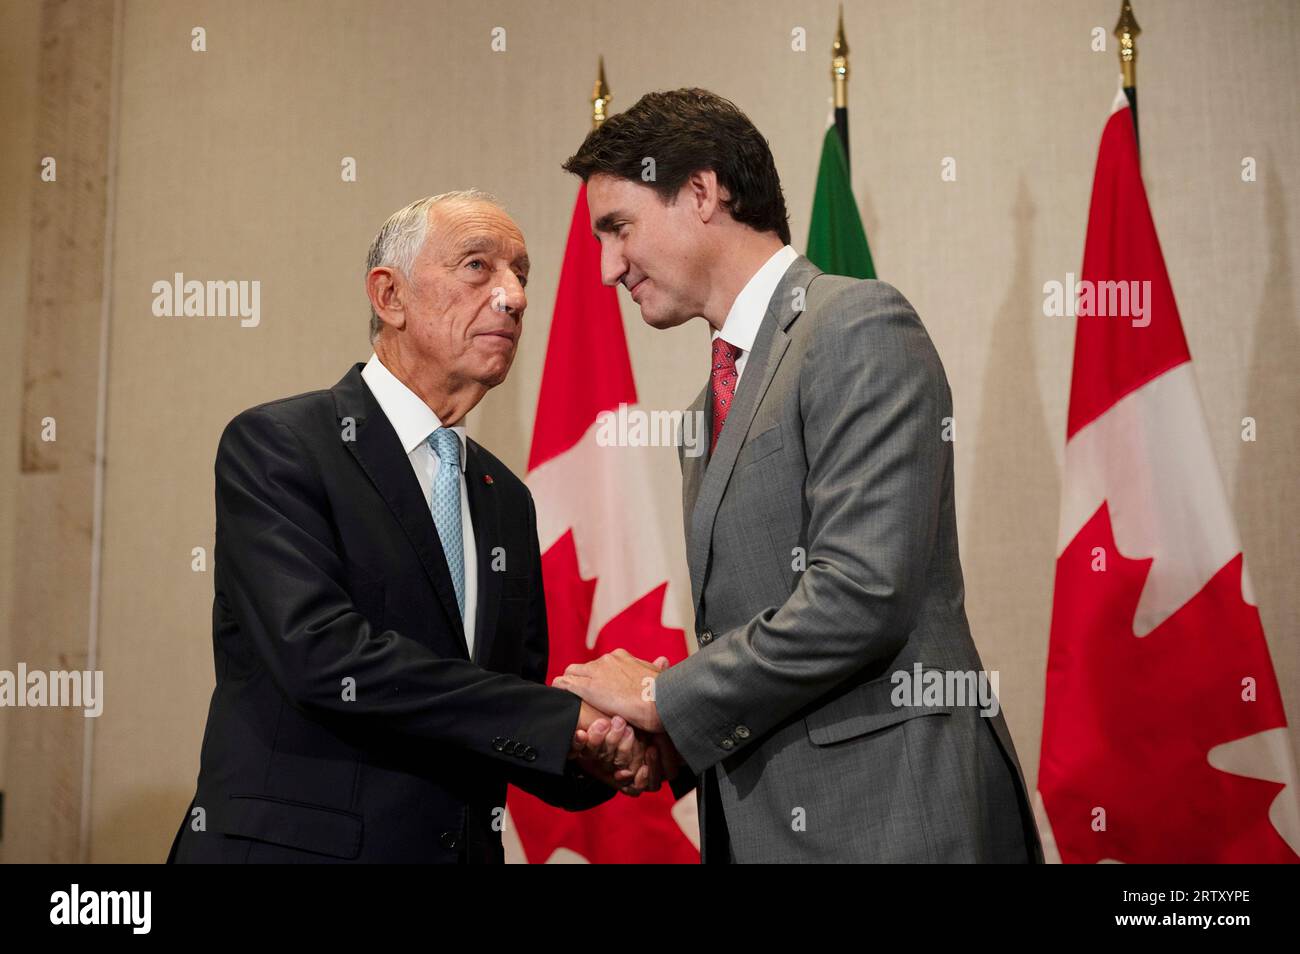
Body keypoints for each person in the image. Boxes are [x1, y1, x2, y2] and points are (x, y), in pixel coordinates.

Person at [554, 89, 1044, 863]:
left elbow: (859, 595)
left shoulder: (856, 325)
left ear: (702, 193)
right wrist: (671, 743)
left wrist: (657, 697)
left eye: (618, 228)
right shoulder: (702, 411)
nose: (608, 267)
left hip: (896, 823)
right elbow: (763, 631)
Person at [168, 191, 659, 864]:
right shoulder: (280, 444)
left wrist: (595, 754)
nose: (513, 296)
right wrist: (558, 718)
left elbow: (494, 702)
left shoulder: (506, 500)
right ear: (389, 296)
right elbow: (321, 654)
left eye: (522, 274)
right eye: (478, 267)